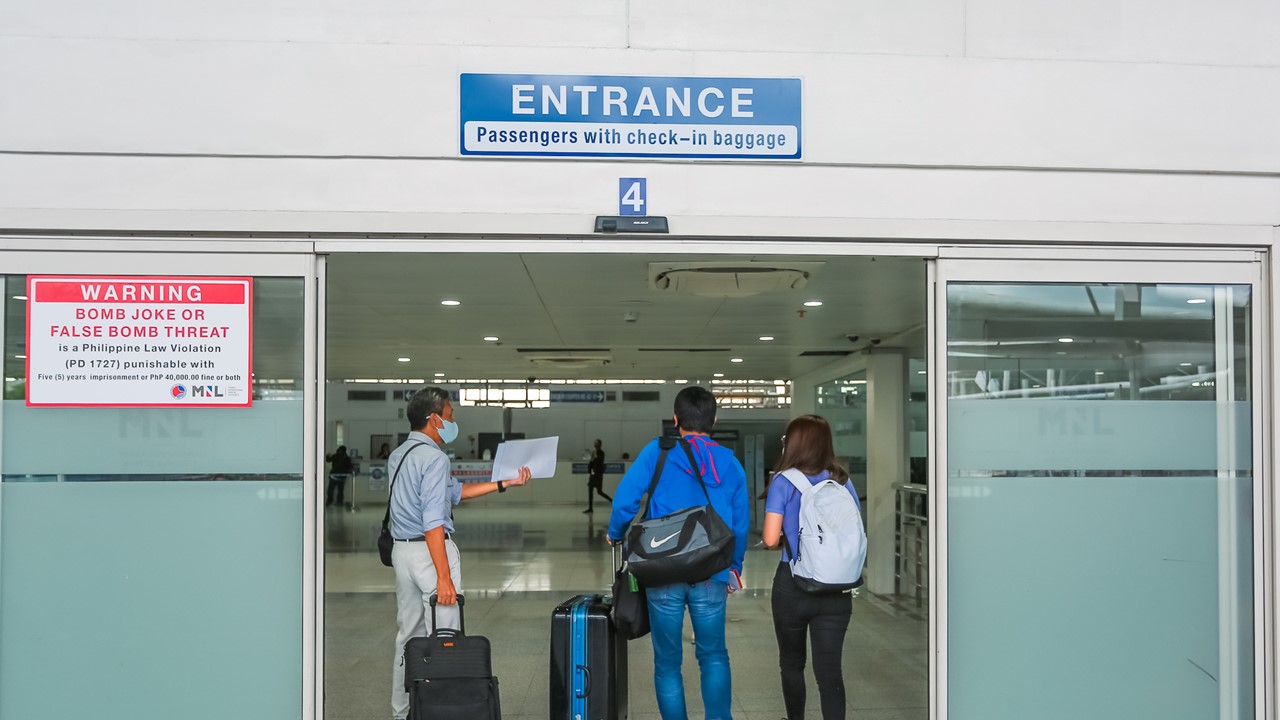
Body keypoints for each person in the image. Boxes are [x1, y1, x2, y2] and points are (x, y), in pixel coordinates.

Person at [387, 386, 532, 720]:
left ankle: (402, 712)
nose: (454, 421)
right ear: (434, 419)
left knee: (407, 637)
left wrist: (504, 483)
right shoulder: (435, 458)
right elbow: (433, 521)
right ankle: (445, 710)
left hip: (403, 553)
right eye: (451, 415)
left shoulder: (400, 454)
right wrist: (443, 577)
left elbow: (456, 493)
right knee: (447, 637)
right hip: (430, 555)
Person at [607, 386, 749, 720]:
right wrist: (734, 567)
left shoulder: (657, 451)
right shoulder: (732, 465)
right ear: (713, 419)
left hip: (663, 571)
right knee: (713, 654)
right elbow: (740, 526)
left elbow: (625, 500)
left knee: (668, 662)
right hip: (712, 571)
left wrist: (615, 534)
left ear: (675, 420)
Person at [762, 414, 858, 720]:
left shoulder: (783, 482)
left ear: (792, 444)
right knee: (830, 674)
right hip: (836, 588)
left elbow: (769, 538)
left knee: (792, 664)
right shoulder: (842, 480)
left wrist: (788, 537)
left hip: (793, 585)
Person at [583, 438, 612, 513]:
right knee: (590, 490)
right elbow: (591, 463)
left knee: (599, 491)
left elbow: (600, 463)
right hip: (593, 474)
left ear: (600, 445)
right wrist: (589, 469)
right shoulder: (593, 452)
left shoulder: (601, 453)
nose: (595, 444)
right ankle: (590, 508)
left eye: (597, 443)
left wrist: (595, 457)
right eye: (595, 443)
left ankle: (612, 501)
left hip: (598, 475)